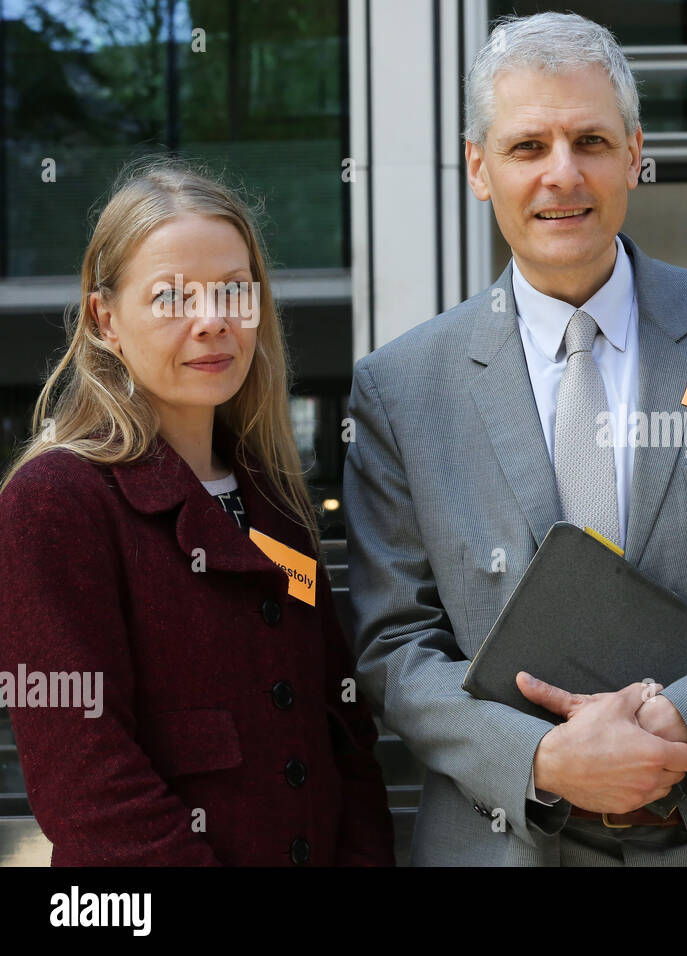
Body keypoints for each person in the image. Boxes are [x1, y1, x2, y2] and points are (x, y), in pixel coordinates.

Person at [344, 12, 687, 866]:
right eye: (527, 147)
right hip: (516, 838)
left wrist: (684, 721)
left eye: (590, 140)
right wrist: (545, 760)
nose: (563, 174)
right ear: (479, 167)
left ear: (634, 153)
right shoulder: (403, 389)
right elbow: (394, 645)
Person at [0, 162, 394, 866]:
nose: (213, 321)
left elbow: (343, 738)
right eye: (172, 297)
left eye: (233, 292)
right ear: (105, 319)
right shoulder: (55, 502)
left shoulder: (275, 504)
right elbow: (88, 788)